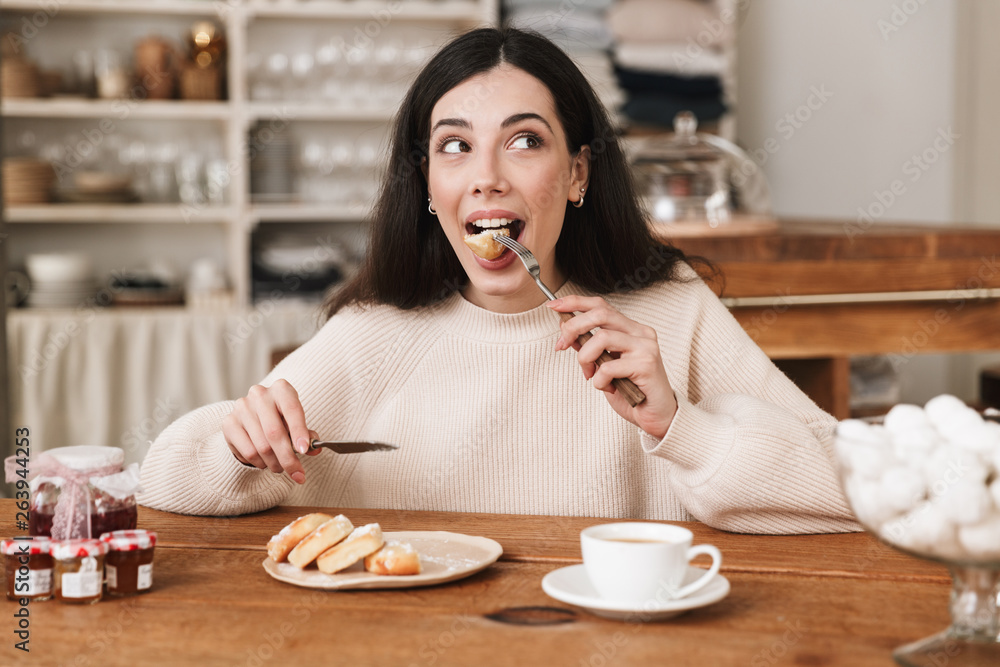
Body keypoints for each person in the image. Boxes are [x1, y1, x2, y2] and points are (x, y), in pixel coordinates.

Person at [139, 27, 857, 534]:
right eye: (455, 146)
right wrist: (239, 444)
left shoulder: (672, 313)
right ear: (426, 183)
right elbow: (163, 481)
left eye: (524, 141)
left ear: (577, 173)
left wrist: (680, 426)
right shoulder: (371, 335)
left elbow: (849, 486)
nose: (485, 175)